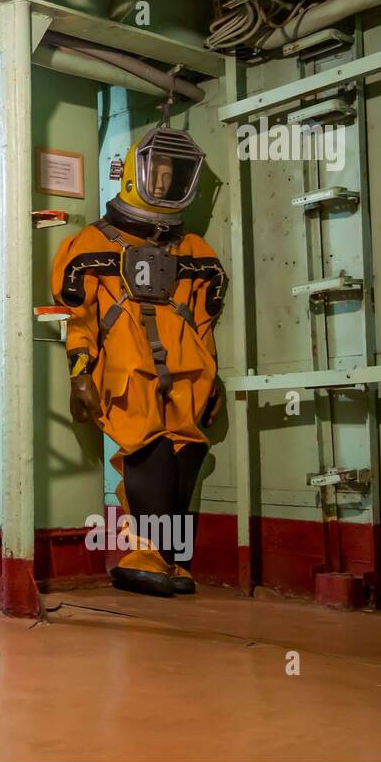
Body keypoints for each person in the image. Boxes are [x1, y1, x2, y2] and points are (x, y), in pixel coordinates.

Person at [51, 127, 226, 597]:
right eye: (159, 171)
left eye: (176, 174)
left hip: (191, 370)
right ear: (133, 173)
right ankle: (146, 553)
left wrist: (215, 376)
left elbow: (205, 323)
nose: (167, 181)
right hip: (128, 368)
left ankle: (175, 560)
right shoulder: (90, 244)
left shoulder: (195, 251)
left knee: (187, 453)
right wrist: (79, 373)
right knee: (146, 451)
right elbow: (79, 318)